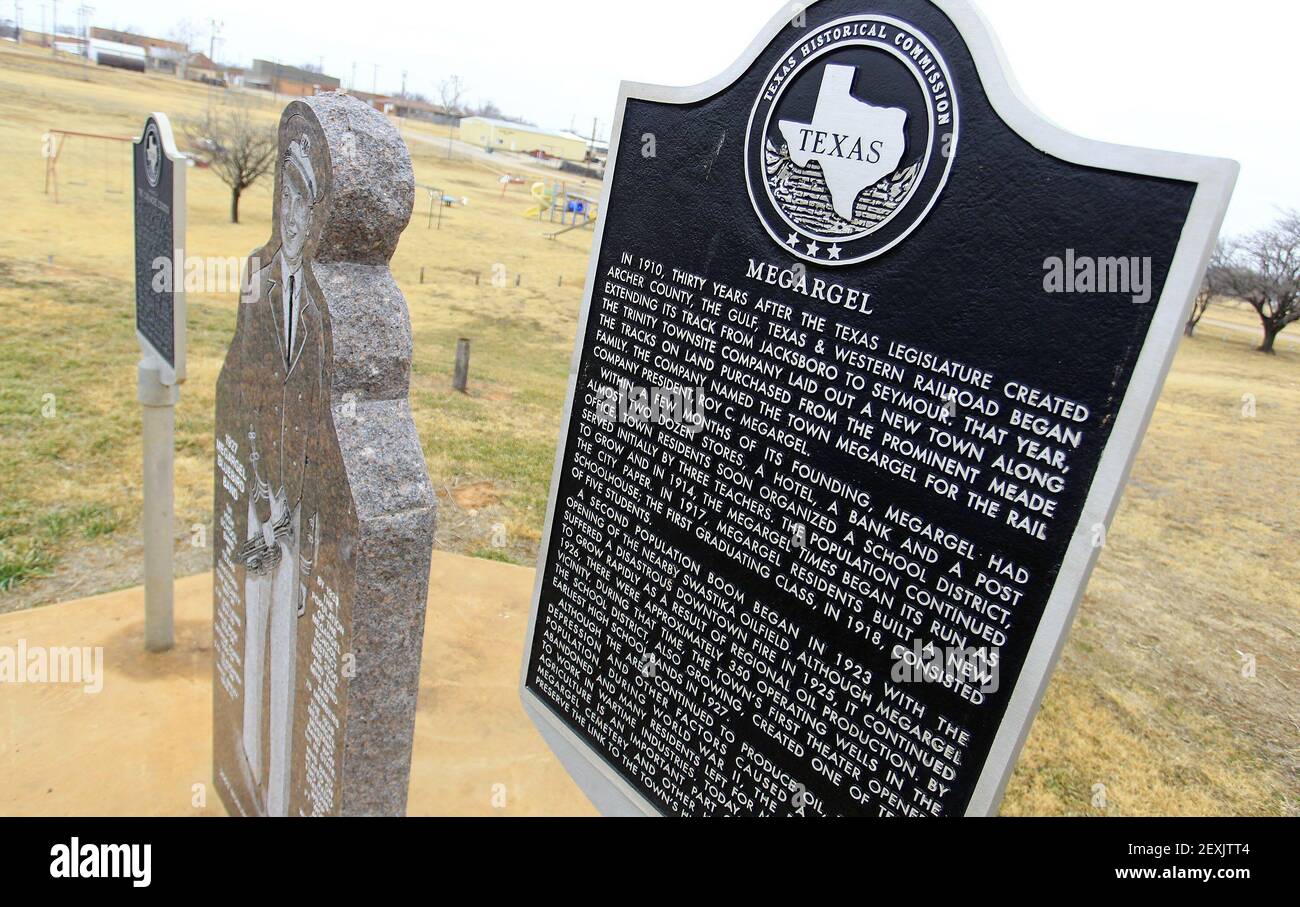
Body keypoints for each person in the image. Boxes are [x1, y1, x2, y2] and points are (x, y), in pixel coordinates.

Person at [237, 124, 325, 817]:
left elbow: (321, 414)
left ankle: (274, 793)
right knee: (255, 622)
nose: (293, 221)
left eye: (305, 206)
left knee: (287, 657)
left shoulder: (325, 315)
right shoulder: (257, 285)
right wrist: (265, 489)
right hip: (260, 502)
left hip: (294, 516)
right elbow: (249, 383)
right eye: (285, 206)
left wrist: (294, 505)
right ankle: (247, 751)